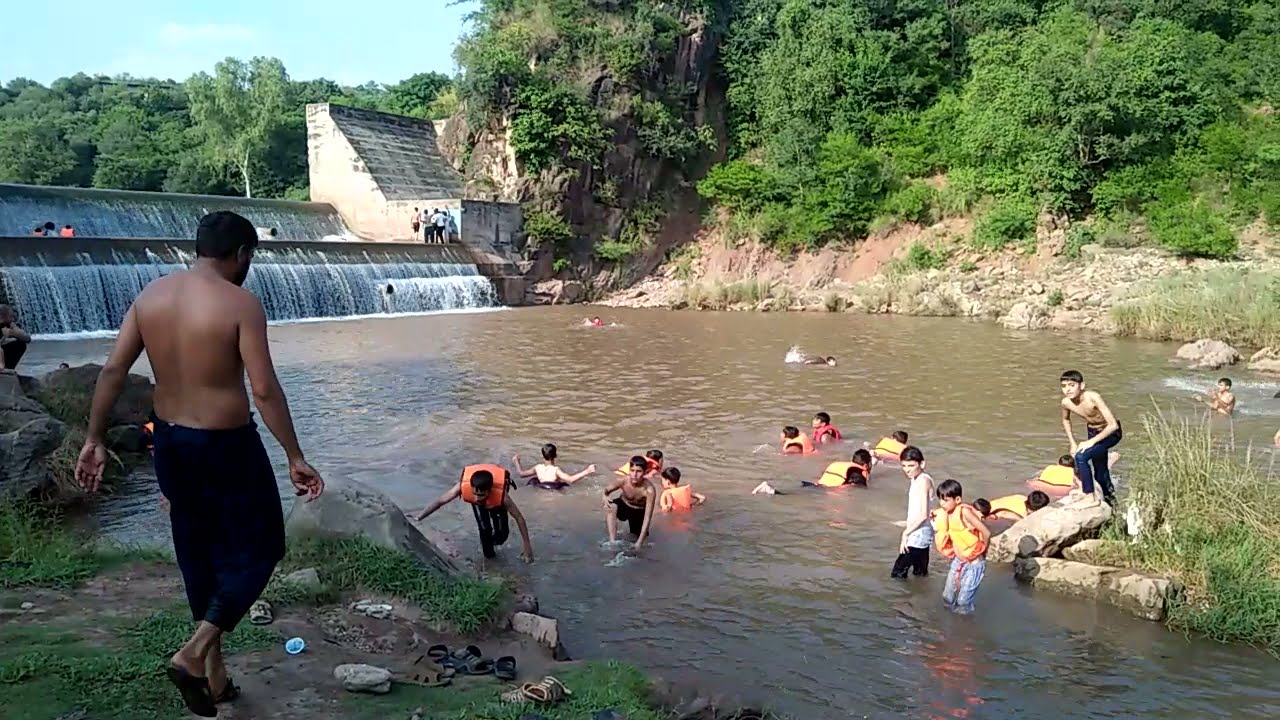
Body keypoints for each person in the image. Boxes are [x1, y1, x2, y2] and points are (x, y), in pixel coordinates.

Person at [72, 210, 323, 717]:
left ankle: (216, 677)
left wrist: (94, 437)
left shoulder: (150, 297)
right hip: (226, 445)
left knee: (198, 550)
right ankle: (192, 652)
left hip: (169, 443)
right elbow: (265, 390)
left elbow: (115, 369)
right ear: (243, 255)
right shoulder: (241, 304)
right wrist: (295, 455)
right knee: (263, 547)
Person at [411, 464, 534, 562]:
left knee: (501, 536)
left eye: (481, 494)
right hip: (481, 506)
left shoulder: (503, 497)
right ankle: (491, 562)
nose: (477, 498)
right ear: (471, 487)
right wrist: (419, 517)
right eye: (475, 493)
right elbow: (440, 501)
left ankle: (496, 541)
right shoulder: (464, 488)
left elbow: (519, 518)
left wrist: (527, 547)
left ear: (489, 490)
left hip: (497, 505)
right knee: (485, 530)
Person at [1060, 370, 1121, 507]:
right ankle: (1112, 503)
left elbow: (1113, 425)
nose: (1067, 389)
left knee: (1081, 457)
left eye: (1071, 385)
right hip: (1093, 431)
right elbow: (1065, 420)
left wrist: (1091, 442)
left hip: (1110, 433)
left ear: (1081, 386)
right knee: (1100, 473)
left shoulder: (1093, 397)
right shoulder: (1066, 403)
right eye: (1064, 386)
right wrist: (1072, 443)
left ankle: (1090, 496)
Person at [932, 479, 990, 614]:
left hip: (974, 563)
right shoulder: (944, 514)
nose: (942, 504)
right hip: (958, 561)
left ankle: (965, 630)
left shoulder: (964, 512)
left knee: (963, 602)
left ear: (957, 499)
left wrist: (983, 551)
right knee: (947, 597)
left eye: (946, 500)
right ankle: (947, 627)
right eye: (940, 500)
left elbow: (986, 532)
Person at [892, 446, 934, 579]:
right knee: (920, 574)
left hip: (917, 536)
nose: (907, 470)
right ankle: (920, 598)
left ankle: (902, 600)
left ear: (922, 464)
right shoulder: (917, 478)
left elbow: (923, 514)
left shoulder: (922, 481)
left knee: (897, 574)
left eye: (911, 465)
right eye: (904, 466)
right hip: (922, 533)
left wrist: (905, 534)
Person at [603, 456, 658, 550]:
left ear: (645, 472)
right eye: (632, 470)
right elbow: (606, 490)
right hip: (624, 506)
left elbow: (647, 517)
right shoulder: (624, 480)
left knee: (640, 540)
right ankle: (612, 541)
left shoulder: (649, 490)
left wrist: (639, 543)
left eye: (639, 471)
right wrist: (604, 496)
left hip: (638, 512)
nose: (635, 474)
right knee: (611, 506)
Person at [513, 444, 596, 490]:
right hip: (552, 493)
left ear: (543, 455)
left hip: (540, 489)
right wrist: (587, 471)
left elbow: (521, 474)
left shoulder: (538, 468)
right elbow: (571, 479)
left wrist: (516, 461)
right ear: (555, 455)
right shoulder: (555, 470)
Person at [809, 448, 873, 487]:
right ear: (866, 465)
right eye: (871, 463)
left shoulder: (838, 465)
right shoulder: (859, 476)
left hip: (814, 486)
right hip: (828, 491)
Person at [973, 490, 1050, 521]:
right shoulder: (1022, 514)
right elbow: (1004, 513)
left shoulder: (1021, 497)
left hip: (986, 506)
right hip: (987, 515)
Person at [0, 304, 32, 371]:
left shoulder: (9, 325)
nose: (13, 319)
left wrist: (14, 332)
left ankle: (7, 369)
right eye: (11, 316)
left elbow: (27, 339)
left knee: (20, 345)